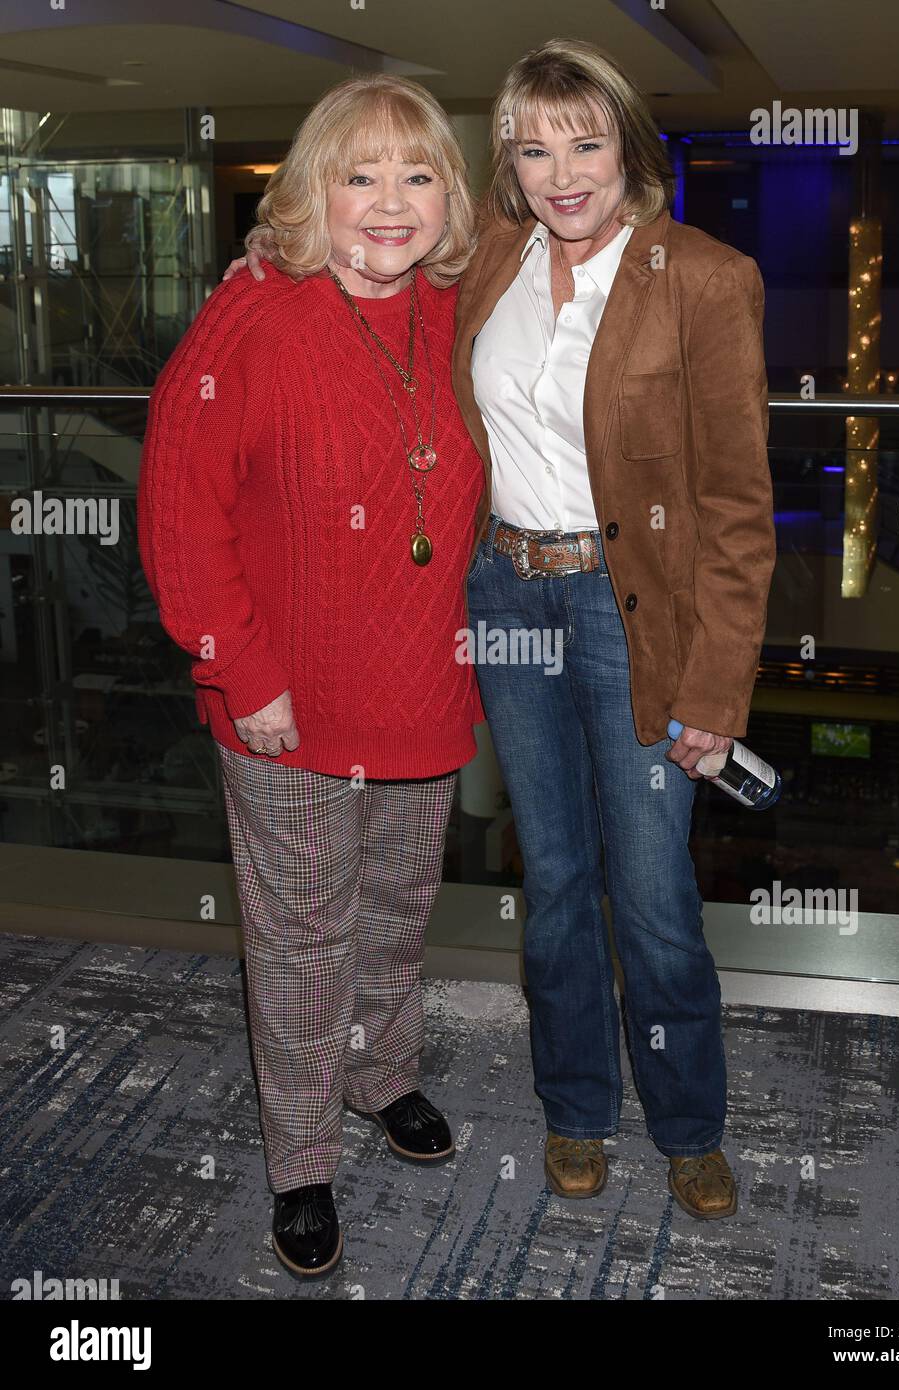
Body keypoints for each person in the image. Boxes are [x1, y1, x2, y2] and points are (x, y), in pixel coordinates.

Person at [231, 38, 775, 1222]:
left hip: (629, 611)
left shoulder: (704, 277)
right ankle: (575, 1107)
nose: (562, 172)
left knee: (653, 891)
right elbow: (355, 264)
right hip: (503, 597)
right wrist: (253, 270)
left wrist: (718, 690)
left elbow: (737, 511)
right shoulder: (486, 262)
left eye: (585, 143)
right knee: (558, 876)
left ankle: (687, 1122)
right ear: (508, 167)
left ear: (627, 145)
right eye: (533, 149)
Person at [139, 74, 484, 1278]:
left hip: (426, 690)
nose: (391, 203)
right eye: (360, 175)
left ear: (450, 195)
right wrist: (240, 669)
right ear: (312, 193)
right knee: (299, 938)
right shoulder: (252, 318)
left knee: (393, 915)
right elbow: (182, 511)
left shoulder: (457, 309)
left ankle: (382, 1076)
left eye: (418, 173)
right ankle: (299, 1158)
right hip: (285, 701)